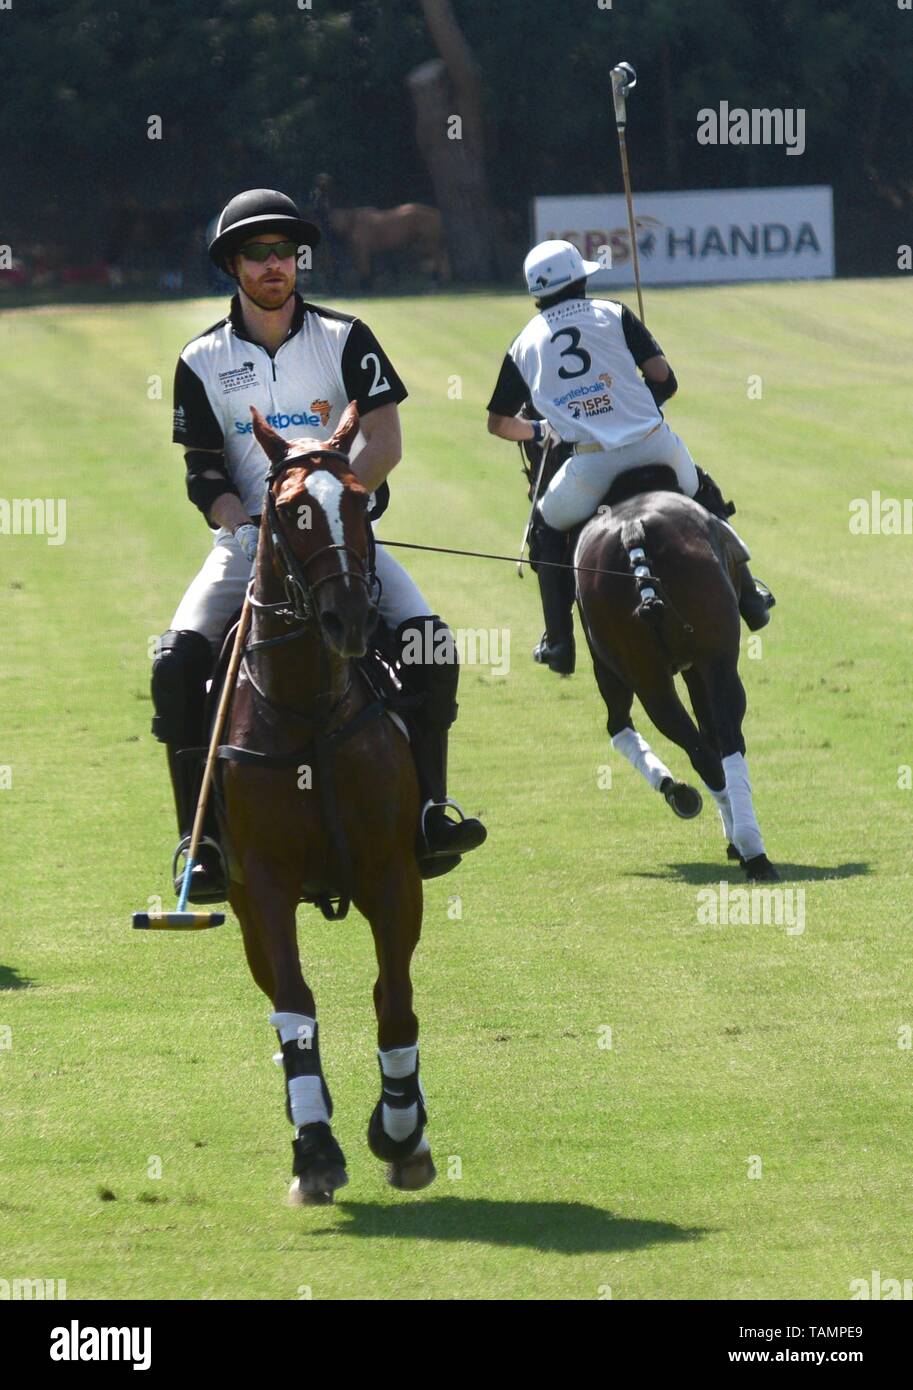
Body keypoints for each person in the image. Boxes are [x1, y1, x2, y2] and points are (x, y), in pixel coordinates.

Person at [151, 188, 485, 902]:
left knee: (432, 646)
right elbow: (201, 468)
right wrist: (242, 520)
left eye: (285, 252)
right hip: (248, 542)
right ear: (232, 266)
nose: (275, 266)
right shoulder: (201, 358)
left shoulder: (346, 337)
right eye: (257, 254)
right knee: (175, 666)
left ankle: (429, 811)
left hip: (337, 539)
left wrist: (334, 508)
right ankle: (199, 843)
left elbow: (384, 440)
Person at [486, 239, 774, 674]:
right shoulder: (614, 312)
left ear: (536, 294)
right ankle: (750, 597)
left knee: (545, 525)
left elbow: (499, 423)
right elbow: (665, 379)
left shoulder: (522, 344)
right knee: (701, 490)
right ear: (580, 280)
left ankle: (559, 643)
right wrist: (638, 403)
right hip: (655, 446)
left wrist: (543, 429)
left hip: (590, 464)